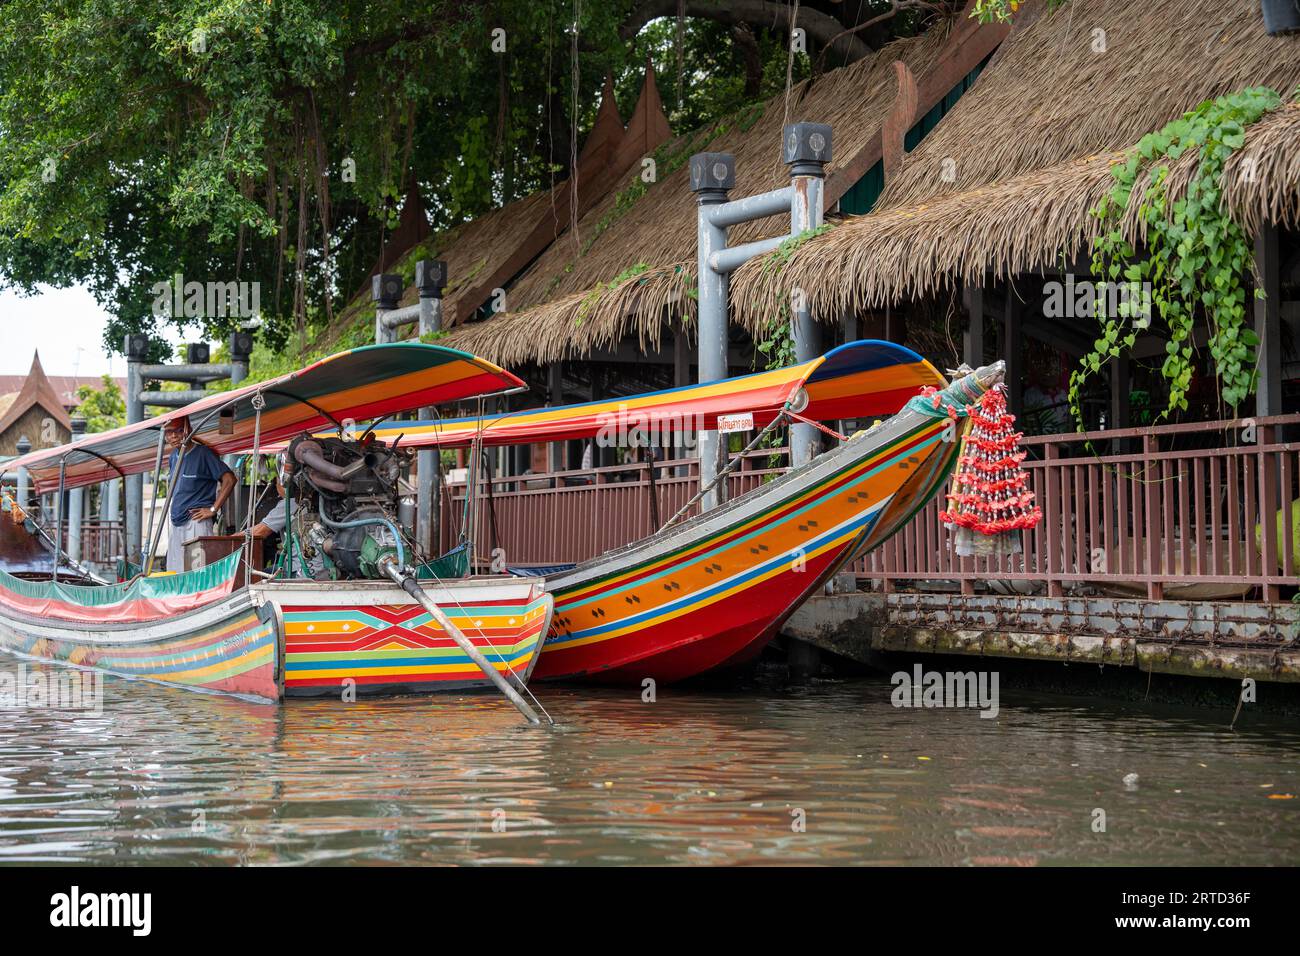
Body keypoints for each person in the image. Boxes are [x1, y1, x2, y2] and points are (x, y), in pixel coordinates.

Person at [164, 416, 236, 572]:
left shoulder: (203, 453)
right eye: (169, 432)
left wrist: (212, 509)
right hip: (176, 521)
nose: (174, 436)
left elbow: (229, 479)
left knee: (197, 572)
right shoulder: (173, 457)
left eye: (178, 430)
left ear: (188, 430)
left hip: (196, 521)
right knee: (175, 571)